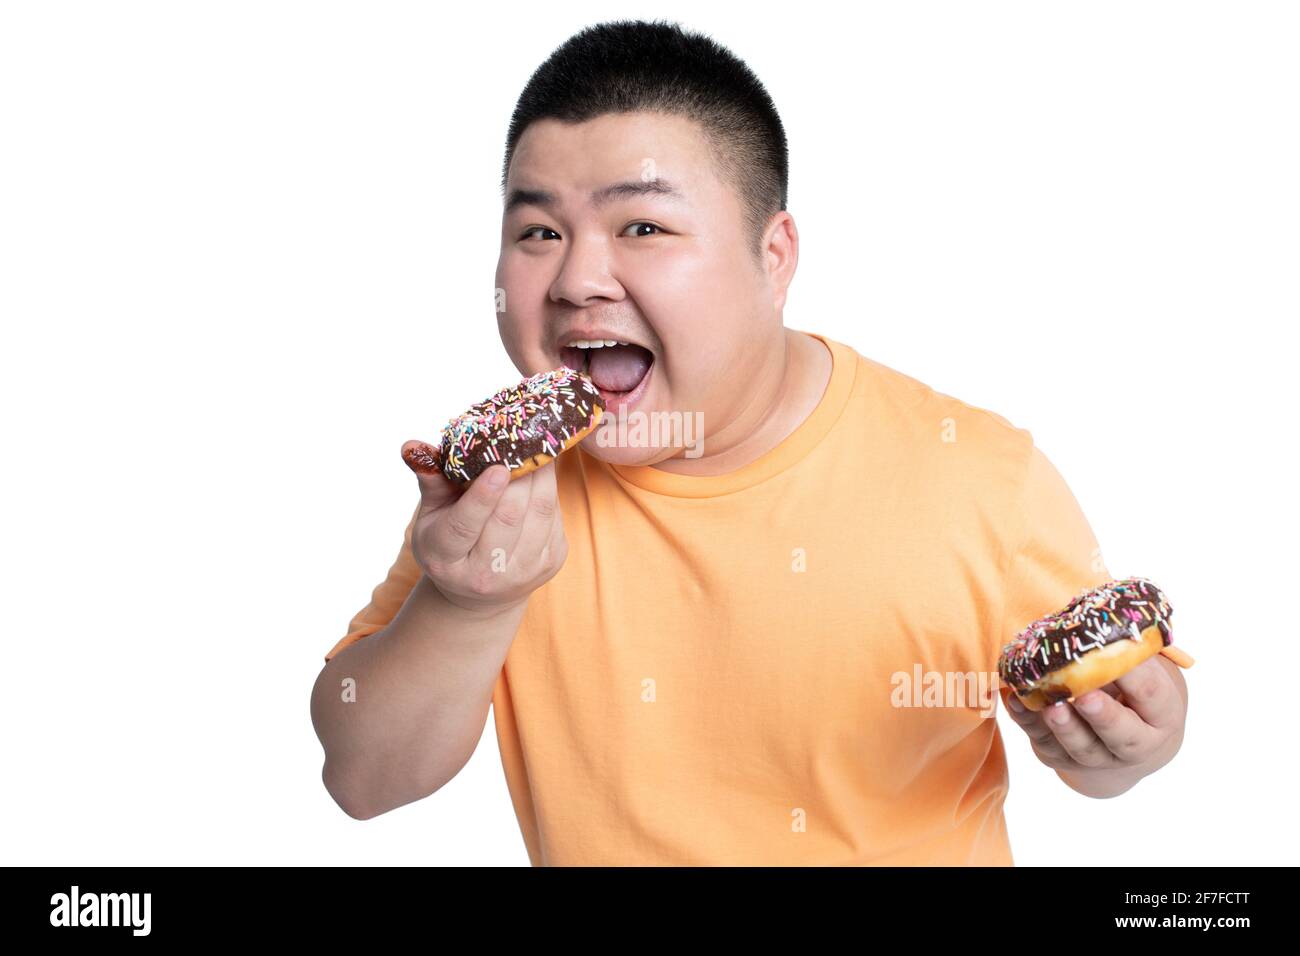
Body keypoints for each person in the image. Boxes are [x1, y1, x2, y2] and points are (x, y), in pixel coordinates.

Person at [310, 18, 1189, 865]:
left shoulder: (979, 475)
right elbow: (363, 778)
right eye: (538, 231)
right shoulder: (503, 498)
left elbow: (1105, 715)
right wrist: (468, 604)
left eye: (643, 227)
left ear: (774, 256)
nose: (577, 279)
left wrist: (1125, 748)